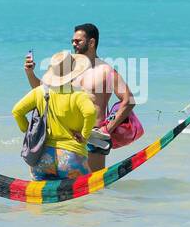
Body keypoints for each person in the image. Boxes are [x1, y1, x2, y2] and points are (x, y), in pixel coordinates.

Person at [25, 23, 137, 170]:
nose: (73, 44)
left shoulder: (106, 70)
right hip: (67, 137)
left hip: (93, 136)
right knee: (67, 183)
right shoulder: (69, 69)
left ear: (91, 42)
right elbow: (42, 92)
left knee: (94, 186)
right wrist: (30, 73)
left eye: (78, 41)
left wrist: (108, 128)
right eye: (73, 41)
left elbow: (128, 100)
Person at [12, 50, 98, 179]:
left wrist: (27, 130)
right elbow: (91, 113)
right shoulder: (78, 95)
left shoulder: (39, 92)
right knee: (87, 193)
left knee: (43, 195)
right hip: (71, 157)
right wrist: (84, 136)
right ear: (74, 73)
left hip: (41, 157)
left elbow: (17, 111)